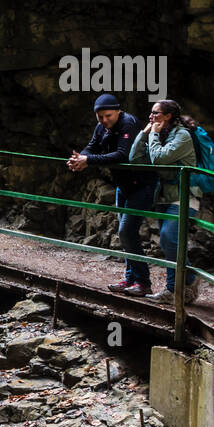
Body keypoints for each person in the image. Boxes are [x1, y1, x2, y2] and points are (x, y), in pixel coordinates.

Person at [68, 93, 158, 297]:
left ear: (118, 111)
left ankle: (143, 282)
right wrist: (78, 157)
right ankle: (130, 278)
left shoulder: (129, 124)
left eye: (108, 116)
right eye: (100, 117)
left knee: (127, 232)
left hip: (142, 185)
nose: (104, 120)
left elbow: (122, 155)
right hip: (123, 185)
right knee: (125, 234)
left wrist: (88, 160)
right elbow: (92, 146)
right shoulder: (102, 127)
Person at [129, 99, 200, 304]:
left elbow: (159, 158)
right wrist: (144, 133)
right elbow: (134, 158)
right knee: (169, 244)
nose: (151, 117)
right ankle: (173, 289)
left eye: (156, 113)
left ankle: (188, 281)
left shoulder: (183, 136)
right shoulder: (159, 134)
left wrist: (152, 135)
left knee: (169, 238)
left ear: (168, 116)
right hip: (164, 196)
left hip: (185, 195)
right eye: (151, 113)